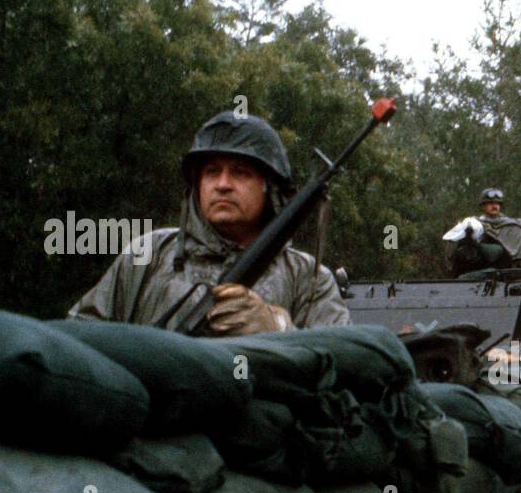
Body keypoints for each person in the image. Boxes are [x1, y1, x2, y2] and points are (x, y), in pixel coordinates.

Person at [69, 111, 350, 333]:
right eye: (212, 172)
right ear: (197, 184)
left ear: (269, 188)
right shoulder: (149, 254)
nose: (223, 184)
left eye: (240, 173)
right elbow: (82, 334)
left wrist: (279, 330)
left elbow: (347, 366)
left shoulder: (307, 277)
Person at [448, 188, 521, 276]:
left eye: (497, 203)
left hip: (508, 268)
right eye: (490, 203)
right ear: (483, 206)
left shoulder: (512, 225)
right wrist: (470, 239)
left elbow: (497, 253)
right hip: (483, 268)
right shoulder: (475, 224)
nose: (494, 206)